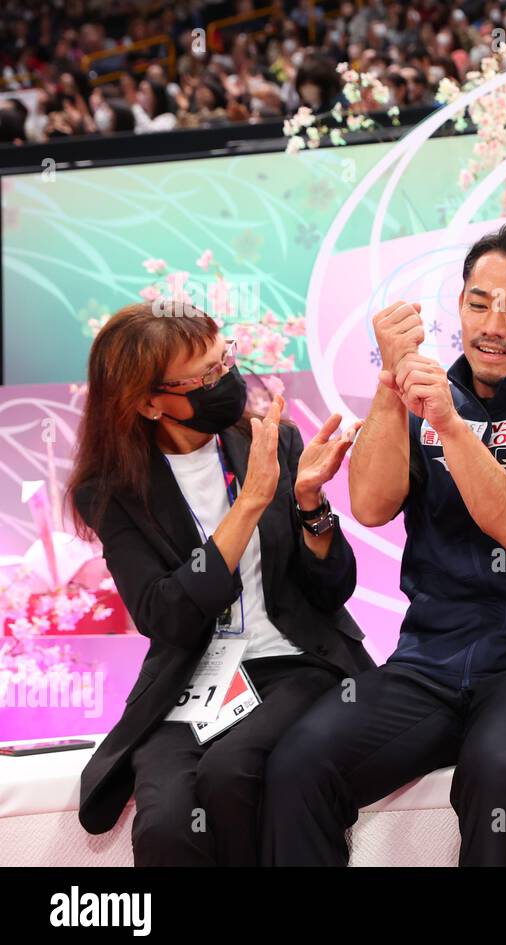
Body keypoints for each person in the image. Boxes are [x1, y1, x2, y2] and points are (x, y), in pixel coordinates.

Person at [262, 221, 506, 867]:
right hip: (428, 660)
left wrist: (451, 425)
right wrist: (393, 387)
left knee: (494, 772)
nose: (490, 324)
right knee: (299, 764)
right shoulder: (419, 398)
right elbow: (371, 504)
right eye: (477, 303)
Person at [68, 302, 372, 866]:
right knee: (165, 824)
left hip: (293, 662)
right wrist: (250, 503)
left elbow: (333, 591)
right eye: (203, 377)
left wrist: (310, 505)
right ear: (148, 401)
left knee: (233, 775)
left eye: (224, 361)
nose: (224, 380)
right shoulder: (113, 491)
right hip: (193, 681)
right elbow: (164, 615)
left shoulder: (272, 441)